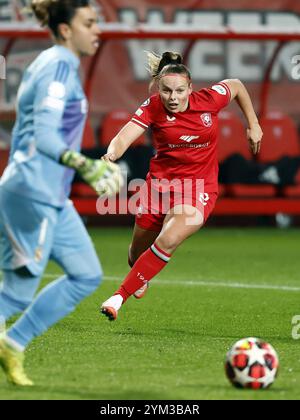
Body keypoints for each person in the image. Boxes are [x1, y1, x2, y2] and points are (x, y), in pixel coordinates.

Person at [0, 0, 122, 386]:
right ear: (66, 29)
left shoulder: (59, 64)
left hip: (51, 196)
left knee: (86, 275)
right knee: (17, 294)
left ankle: (12, 344)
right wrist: (85, 164)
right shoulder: (56, 66)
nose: (97, 30)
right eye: (88, 23)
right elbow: (45, 136)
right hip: (32, 191)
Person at [100, 51, 263, 321]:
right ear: (158, 88)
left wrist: (253, 124)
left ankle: (118, 297)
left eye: (179, 91)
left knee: (170, 238)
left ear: (190, 88)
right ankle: (139, 272)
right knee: (136, 254)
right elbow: (124, 135)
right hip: (159, 188)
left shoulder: (208, 100)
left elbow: (236, 85)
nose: (172, 98)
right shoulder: (153, 106)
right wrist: (110, 156)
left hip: (199, 187)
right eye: (166, 91)